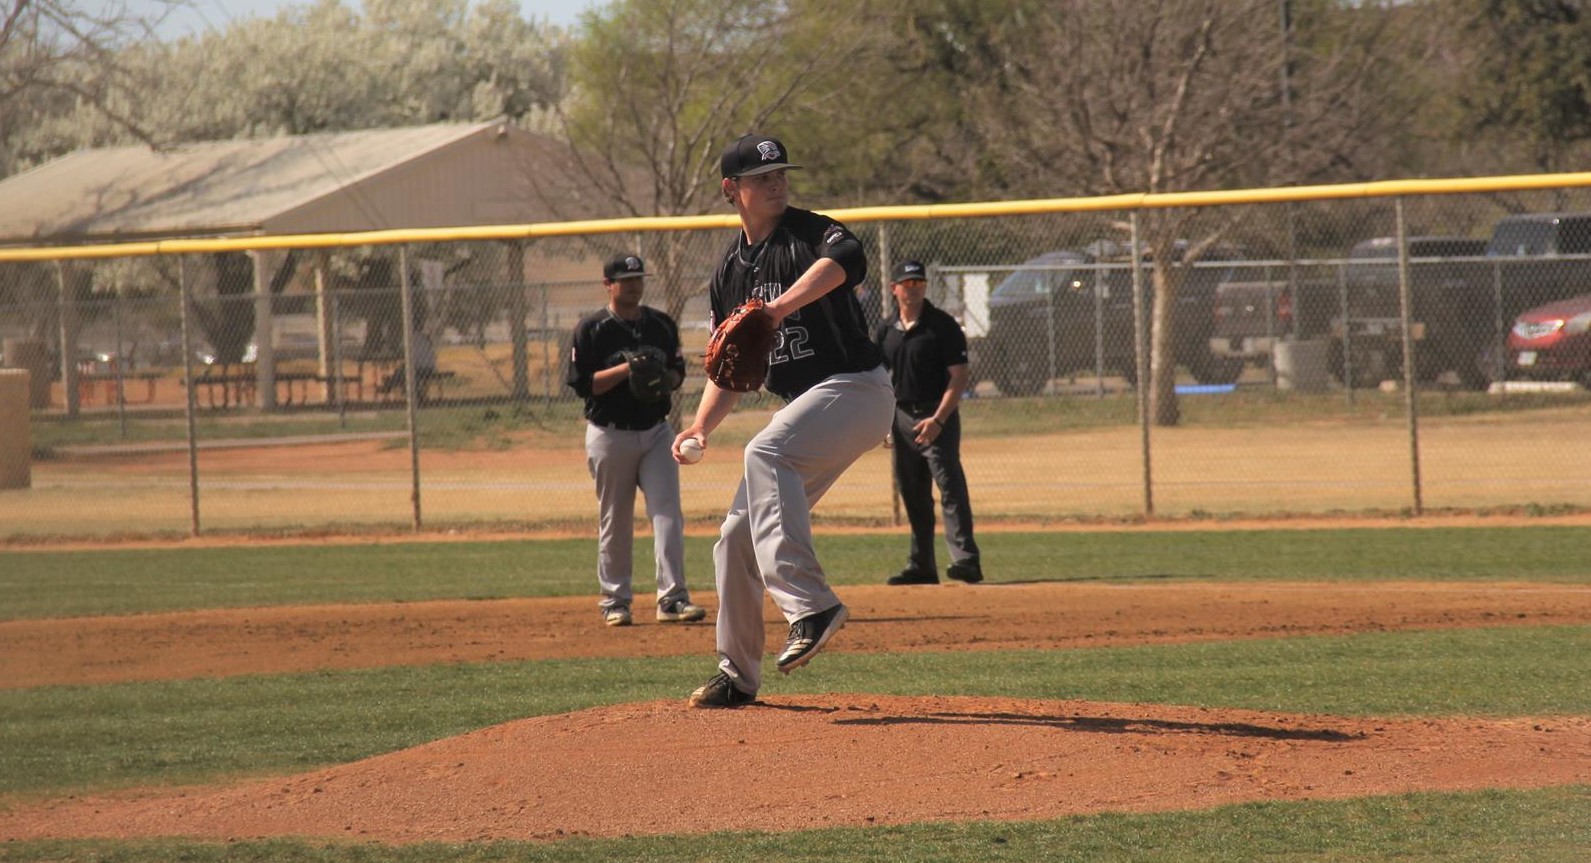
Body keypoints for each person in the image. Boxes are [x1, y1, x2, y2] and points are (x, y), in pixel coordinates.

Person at [674, 133, 893, 708]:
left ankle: (811, 605)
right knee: (734, 539)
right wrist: (699, 427)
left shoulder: (809, 232)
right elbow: (730, 367)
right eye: (761, 177)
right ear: (732, 190)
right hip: (807, 407)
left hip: (856, 390)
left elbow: (847, 260)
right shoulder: (727, 273)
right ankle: (738, 675)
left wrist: (776, 309)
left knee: (765, 452)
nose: (776, 182)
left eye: (780, 174)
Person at [566, 253, 706, 628]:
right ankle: (615, 601)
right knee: (615, 519)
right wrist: (628, 368)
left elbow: (677, 374)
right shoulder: (592, 328)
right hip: (610, 434)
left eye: (638, 278)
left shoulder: (661, 323)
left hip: (657, 430)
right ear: (608, 285)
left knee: (668, 514)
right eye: (625, 279)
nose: (634, 285)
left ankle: (673, 599)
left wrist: (660, 376)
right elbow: (584, 385)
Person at [874, 259, 984, 586]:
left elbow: (959, 376)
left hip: (938, 415)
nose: (913, 289)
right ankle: (922, 564)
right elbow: (877, 378)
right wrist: (883, 421)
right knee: (912, 491)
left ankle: (966, 561)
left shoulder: (942, 325)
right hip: (901, 416)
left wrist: (938, 419)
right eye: (907, 284)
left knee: (950, 487)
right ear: (894, 289)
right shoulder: (885, 329)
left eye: (918, 283)